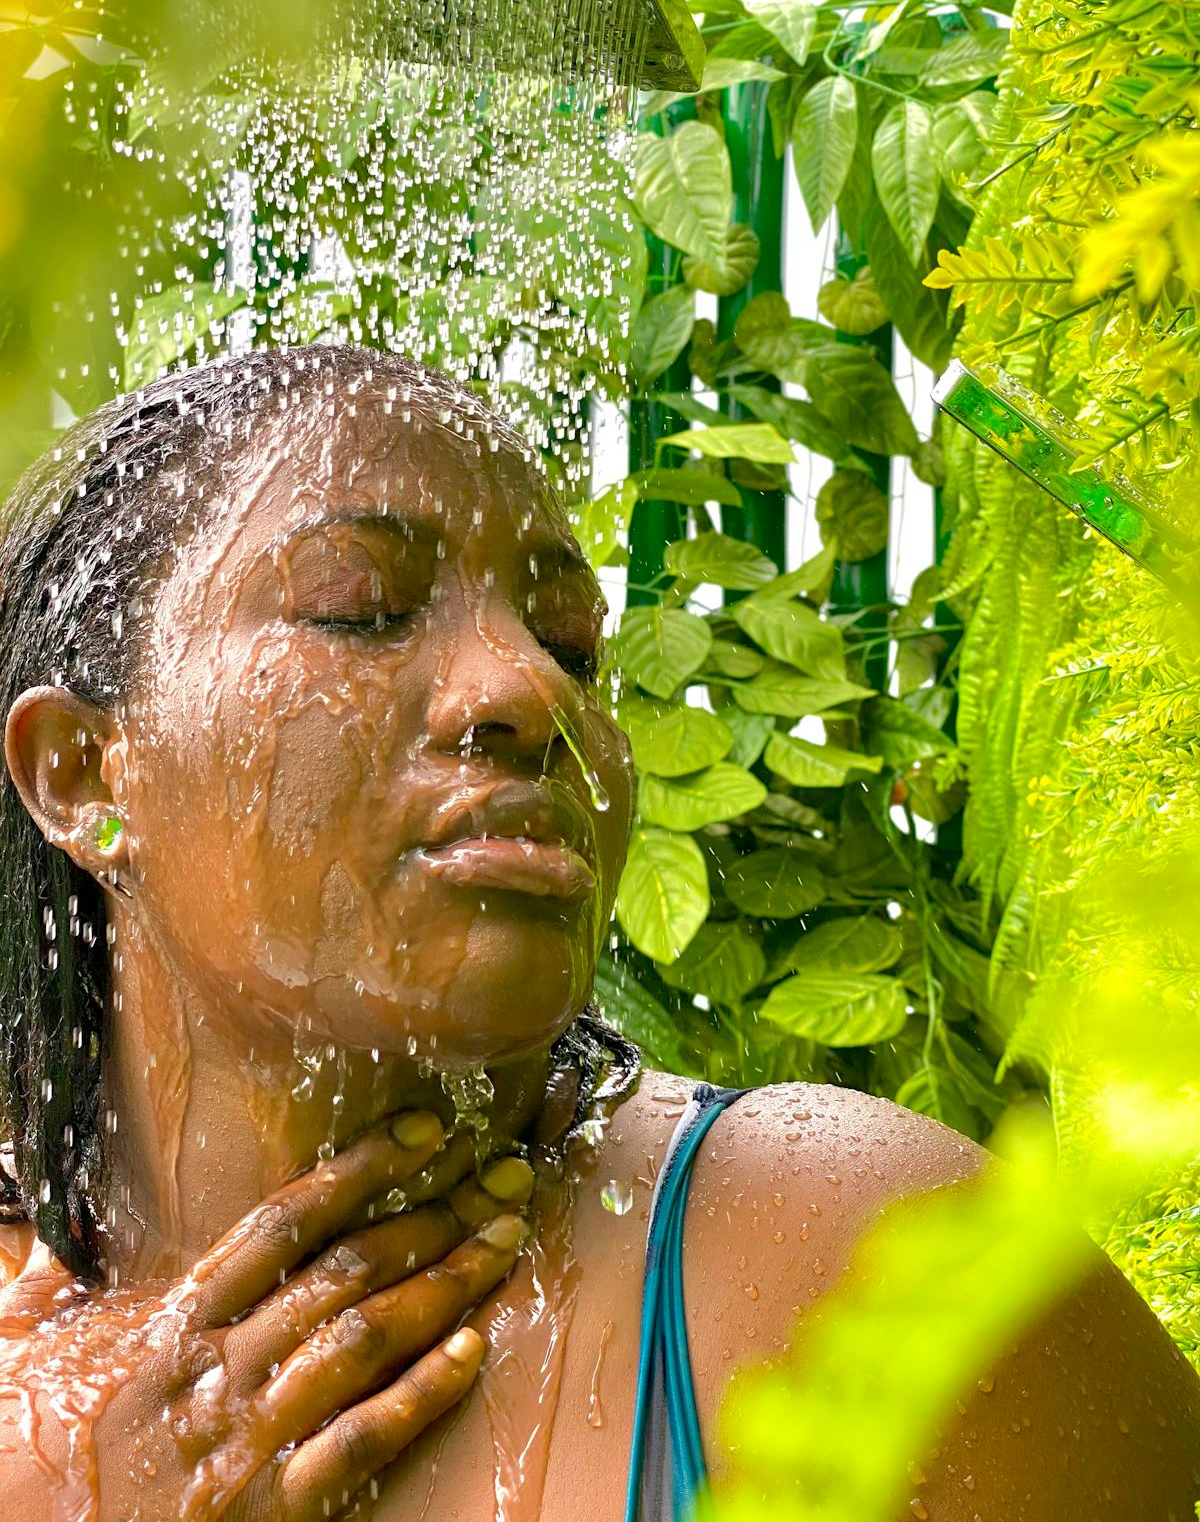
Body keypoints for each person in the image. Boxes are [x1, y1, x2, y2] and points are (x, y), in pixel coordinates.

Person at [0, 344, 1194, 1522]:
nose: (530, 689)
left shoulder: (856, 1267)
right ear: (82, 774)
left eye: (572, 643)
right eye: (360, 610)